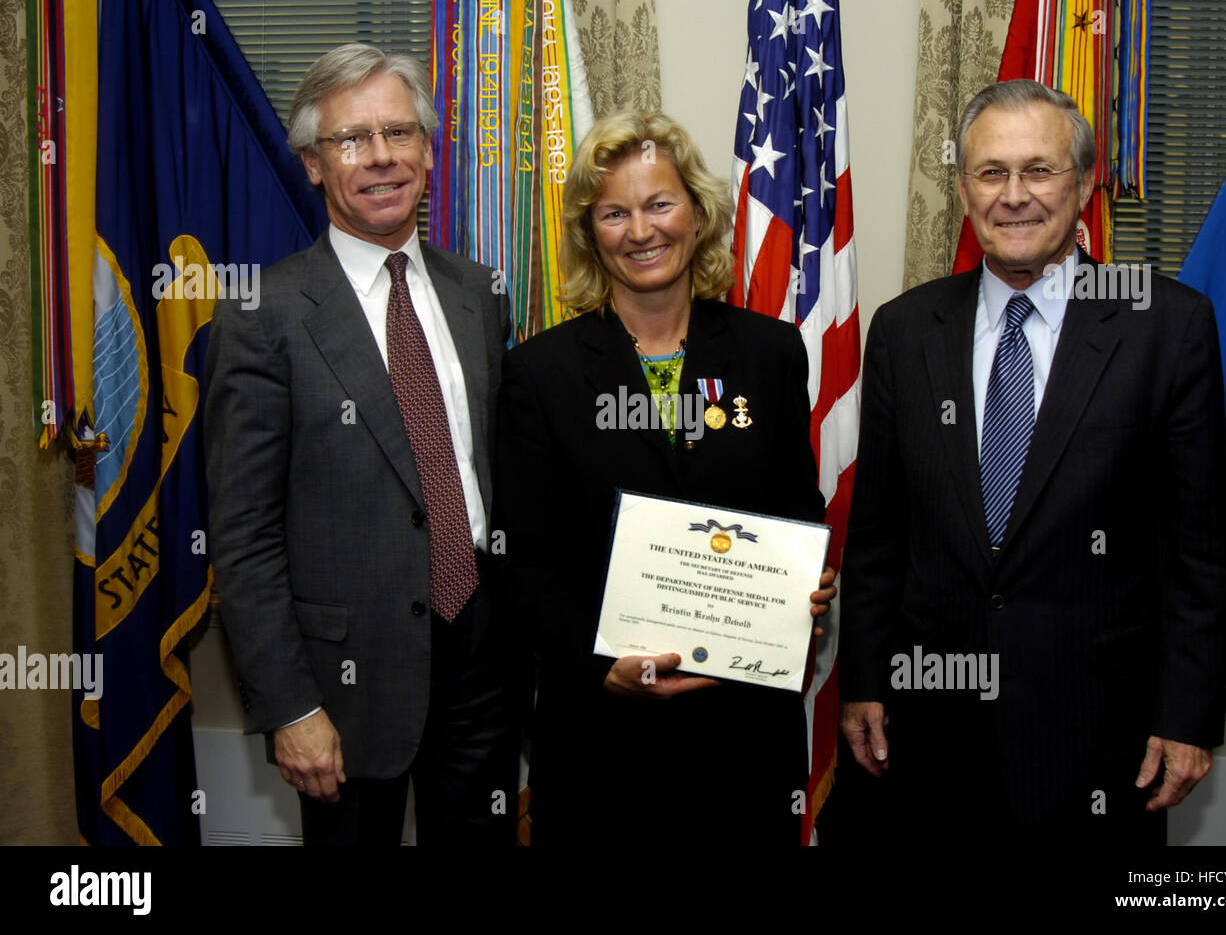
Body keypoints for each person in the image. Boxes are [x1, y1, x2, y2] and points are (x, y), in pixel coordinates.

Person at [835, 79, 1226, 845]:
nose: (1014, 196)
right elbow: (880, 536)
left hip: (1098, 742)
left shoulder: (1168, 327)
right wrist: (863, 685)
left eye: (1039, 170)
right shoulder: (904, 329)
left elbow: (1197, 551)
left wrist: (1186, 718)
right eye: (992, 173)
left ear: (1083, 183)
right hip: (931, 742)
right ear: (963, 189)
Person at [204, 43, 515, 846]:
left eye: (399, 133)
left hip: (482, 667)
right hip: (343, 685)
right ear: (312, 163)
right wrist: (292, 706)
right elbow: (242, 538)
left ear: (427, 150)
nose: (381, 157)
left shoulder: (479, 294)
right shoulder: (261, 314)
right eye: (352, 140)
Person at [496, 112, 835, 845]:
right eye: (615, 212)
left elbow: (797, 513)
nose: (641, 230)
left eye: (659, 203)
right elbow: (527, 562)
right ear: (591, 234)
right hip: (601, 742)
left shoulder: (771, 354)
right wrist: (603, 669)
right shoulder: (539, 374)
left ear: (697, 212)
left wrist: (807, 579)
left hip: (742, 732)